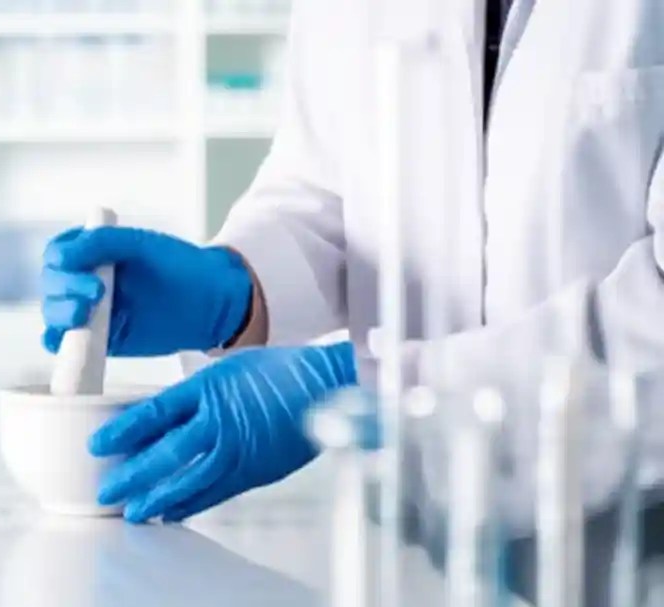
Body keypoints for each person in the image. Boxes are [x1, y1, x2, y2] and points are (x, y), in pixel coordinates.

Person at [42, 0, 664, 524]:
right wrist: (239, 290)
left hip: (632, 526)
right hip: (415, 526)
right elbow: (326, 178)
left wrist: (386, 390)